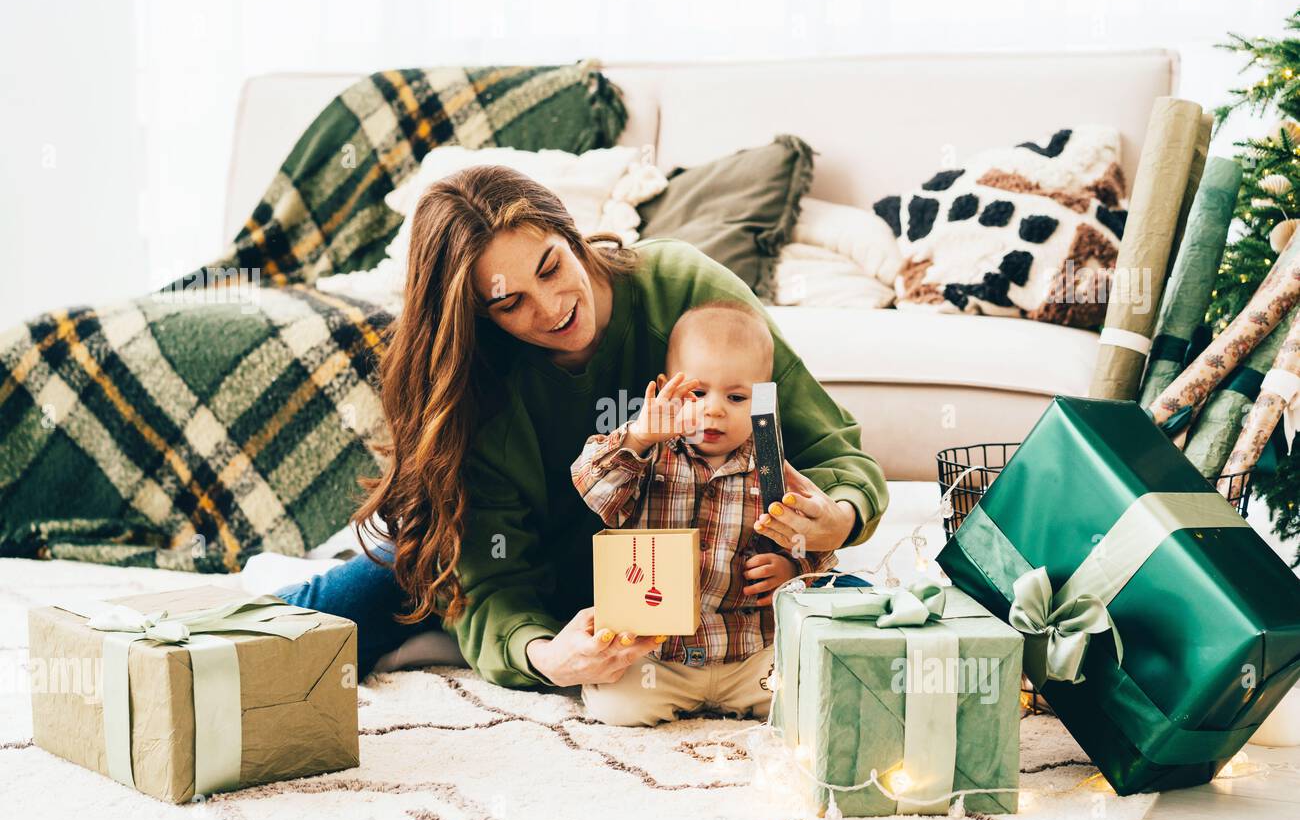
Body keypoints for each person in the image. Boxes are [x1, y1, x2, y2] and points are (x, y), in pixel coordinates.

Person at [273, 164, 889, 690]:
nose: (552, 308)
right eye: (509, 302)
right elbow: (492, 570)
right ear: (478, 317)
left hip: (697, 586)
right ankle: (429, 632)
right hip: (533, 577)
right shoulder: (476, 380)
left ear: (570, 234)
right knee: (295, 637)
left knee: (871, 617)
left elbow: (825, 450)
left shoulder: (687, 289)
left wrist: (838, 515)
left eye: (550, 267)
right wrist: (543, 655)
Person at [570, 299, 838, 725]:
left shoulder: (772, 467)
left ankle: (747, 698)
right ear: (667, 390)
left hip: (747, 652)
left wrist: (792, 569)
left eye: (736, 397)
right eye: (697, 393)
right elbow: (593, 488)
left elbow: (817, 544)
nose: (714, 409)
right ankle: (681, 696)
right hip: (660, 653)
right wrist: (638, 435)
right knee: (617, 705)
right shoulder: (649, 455)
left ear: (763, 401)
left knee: (806, 693)